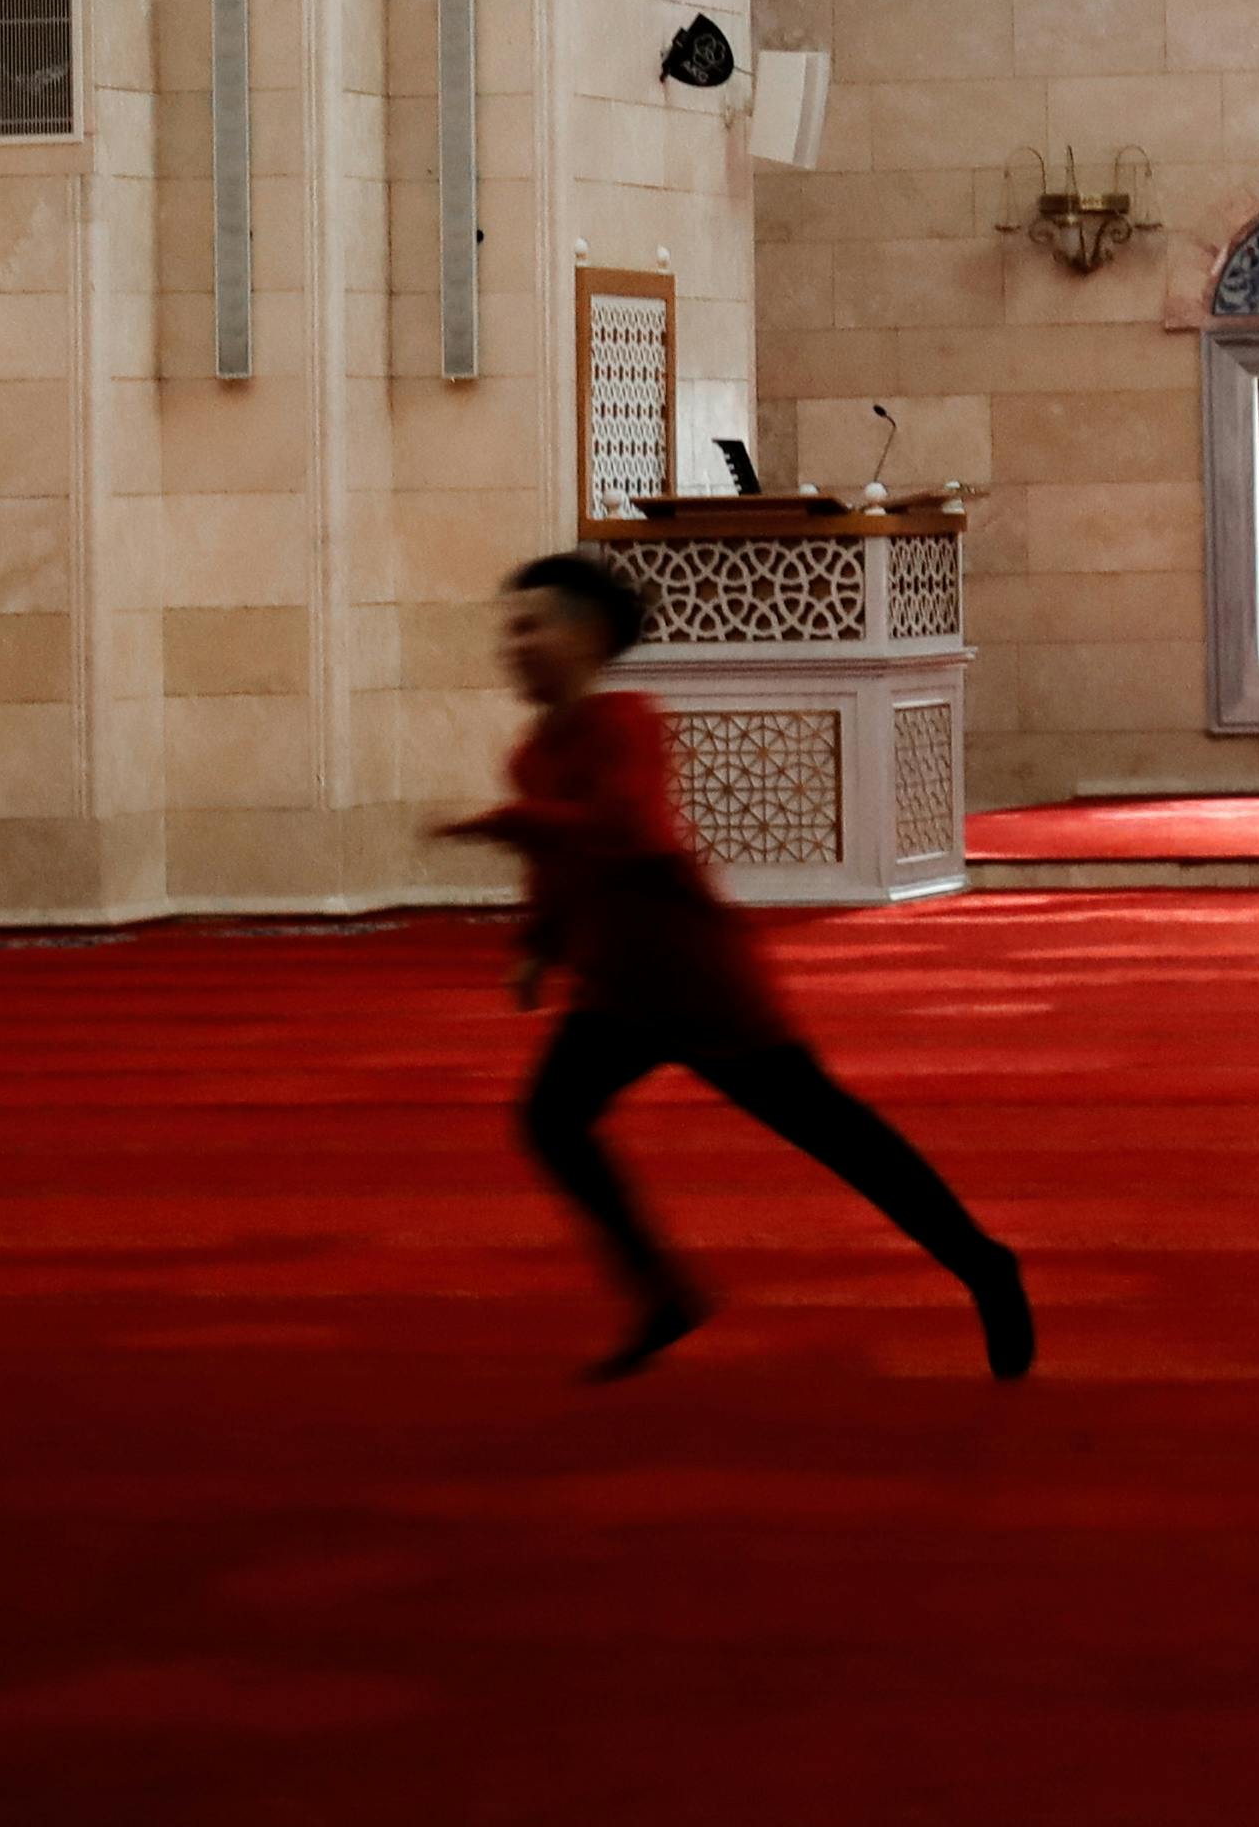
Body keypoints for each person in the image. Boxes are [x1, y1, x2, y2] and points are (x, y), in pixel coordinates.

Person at [441, 549, 1035, 1384]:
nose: (513, 646)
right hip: (616, 991)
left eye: (529, 627)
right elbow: (562, 871)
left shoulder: (628, 721)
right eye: (509, 630)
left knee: (836, 1136)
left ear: (586, 637)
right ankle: (662, 1296)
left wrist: (514, 823)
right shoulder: (533, 754)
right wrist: (535, 948)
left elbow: (631, 831)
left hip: (699, 982)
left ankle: (983, 1265)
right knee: (551, 1119)